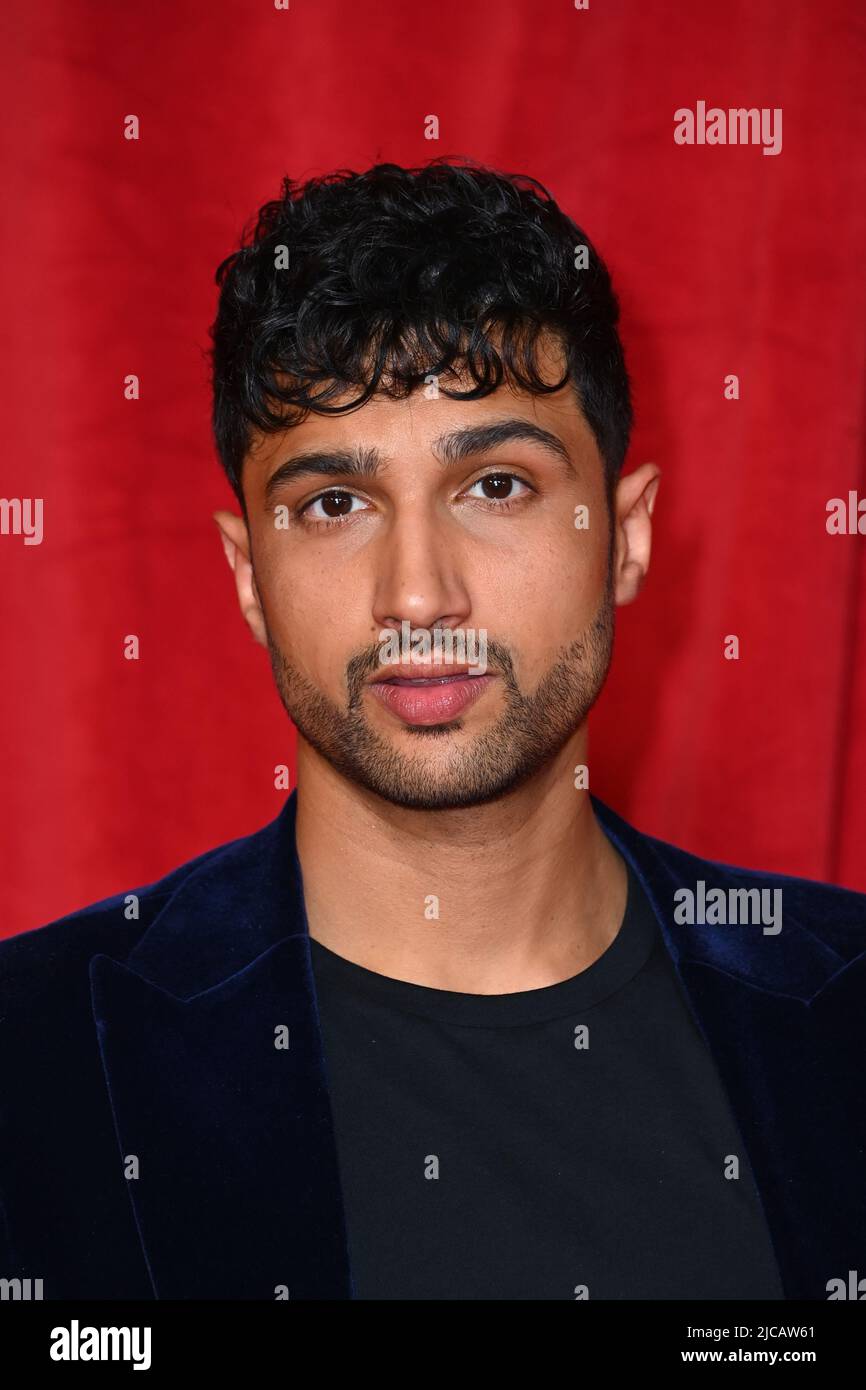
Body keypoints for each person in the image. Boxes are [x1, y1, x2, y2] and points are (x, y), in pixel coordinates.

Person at [2, 161, 864, 1302]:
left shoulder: (842, 1009)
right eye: (332, 504)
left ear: (625, 536)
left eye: (495, 485)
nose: (417, 595)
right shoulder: (31, 1061)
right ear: (246, 575)